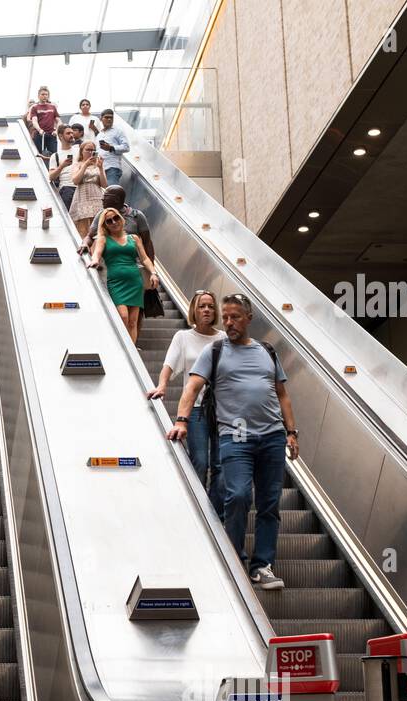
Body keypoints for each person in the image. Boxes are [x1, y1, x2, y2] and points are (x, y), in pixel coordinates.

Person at [165, 294, 300, 589]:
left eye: (235, 317)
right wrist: (181, 420)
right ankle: (234, 556)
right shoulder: (214, 351)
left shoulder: (266, 351)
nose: (228, 322)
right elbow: (192, 387)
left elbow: (282, 394)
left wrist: (291, 431)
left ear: (249, 318)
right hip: (236, 435)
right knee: (237, 495)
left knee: (269, 503)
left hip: (272, 436)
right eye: (225, 317)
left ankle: (262, 565)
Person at [147, 291, 226, 512]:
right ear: (194, 309)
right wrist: (162, 385)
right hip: (196, 408)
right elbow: (169, 365)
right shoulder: (183, 337)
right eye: (202, 306)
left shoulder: (223, 339)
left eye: (210, 306)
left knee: (220, 464)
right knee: (199, 461)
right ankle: (199, 510)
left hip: (222, 410)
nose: (207, 310)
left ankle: (216, 514)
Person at [89, 208, 159, 345]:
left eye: (116, 218)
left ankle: (131, 352)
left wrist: (153, 273)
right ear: (105, 225)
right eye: (109, 221)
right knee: (123, 316)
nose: (114, 222)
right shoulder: (103, 239)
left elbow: (144, 259)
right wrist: (95, 260)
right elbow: (97, 253)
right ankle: (120, 347)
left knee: (133, 322)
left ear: (121, 218)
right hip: (116, 282)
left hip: (135, 282)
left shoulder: (134, 238)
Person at [68, 140, 106, 238]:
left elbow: (104, 184)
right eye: (88, 150)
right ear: (82, 151)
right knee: (83, 226)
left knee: (98, 224)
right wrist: (85, 165)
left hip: (97, 195)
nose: (90, 153)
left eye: (93, 150)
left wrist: (101, 168)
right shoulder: (77, 164)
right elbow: (75, 181)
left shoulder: (98, 165)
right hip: (82, 196)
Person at [24, 86, 61, 163]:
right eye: (43, 94)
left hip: (52, 134)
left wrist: (57, 131)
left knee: (54, 155)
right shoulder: (35, 107)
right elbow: (34, 121)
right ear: (38, 96)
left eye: (46, 94)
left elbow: (59, 121)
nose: (45, 96)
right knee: (39, 155)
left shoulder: (53, 107)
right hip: (40, 134)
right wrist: (39, 130)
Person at [96, 108, 130, 187]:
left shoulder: (118, 131)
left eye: (111, 117)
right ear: (101, 118)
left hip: (112, 167)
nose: (109, 119)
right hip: (99, 169)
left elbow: (126, 147)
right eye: (106, 117)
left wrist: (111, 148)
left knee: (111, 192)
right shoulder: (99, 135)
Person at [48, 125, 79, 208]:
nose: (71, 135)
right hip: (67, 189)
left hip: (81, 188)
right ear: (61, 136)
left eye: (72, 133)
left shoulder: (79, 150)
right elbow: (51, 177)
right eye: (68, 133)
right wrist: (62, 166)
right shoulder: (55, 156)